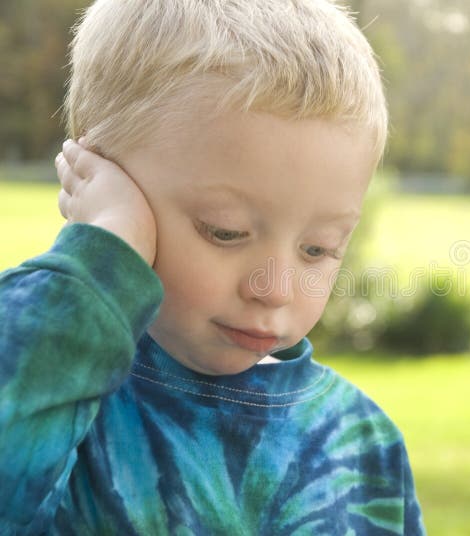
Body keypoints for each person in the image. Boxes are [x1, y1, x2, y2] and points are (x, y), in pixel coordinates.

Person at [0, 0, 426, 533]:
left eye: (317, 249)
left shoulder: (362, 443)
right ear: (100, 179)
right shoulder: (59, 393)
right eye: (225, 231)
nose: (275, 289)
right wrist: (105, 246)